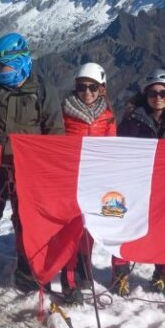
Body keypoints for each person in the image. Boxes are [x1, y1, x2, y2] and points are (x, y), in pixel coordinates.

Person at [0, 33, 64, 304]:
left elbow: (54, 133)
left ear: (20, 62)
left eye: (3, 66)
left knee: (25, 222)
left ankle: (26, 268)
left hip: (28, 173)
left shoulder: (42, 91)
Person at [113, 68, 165, 295]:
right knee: (125, 229)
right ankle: (120, 275)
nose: (158, 97)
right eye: (153, 93)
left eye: (163, 93)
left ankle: (162, 274)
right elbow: (121, 148)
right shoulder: (133, 119)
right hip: (136, 184)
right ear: (146, 95)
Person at [59, 62, 116, 304]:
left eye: (93, 88)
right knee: (71, 229)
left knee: (89, 227)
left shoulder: (108, 115)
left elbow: (112, 146)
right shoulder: (64, 112)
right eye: (82, 88)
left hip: (94, 179)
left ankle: (84, 266)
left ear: (102, 89)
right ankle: (68, 278)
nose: (88, 93)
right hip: (70, 179)